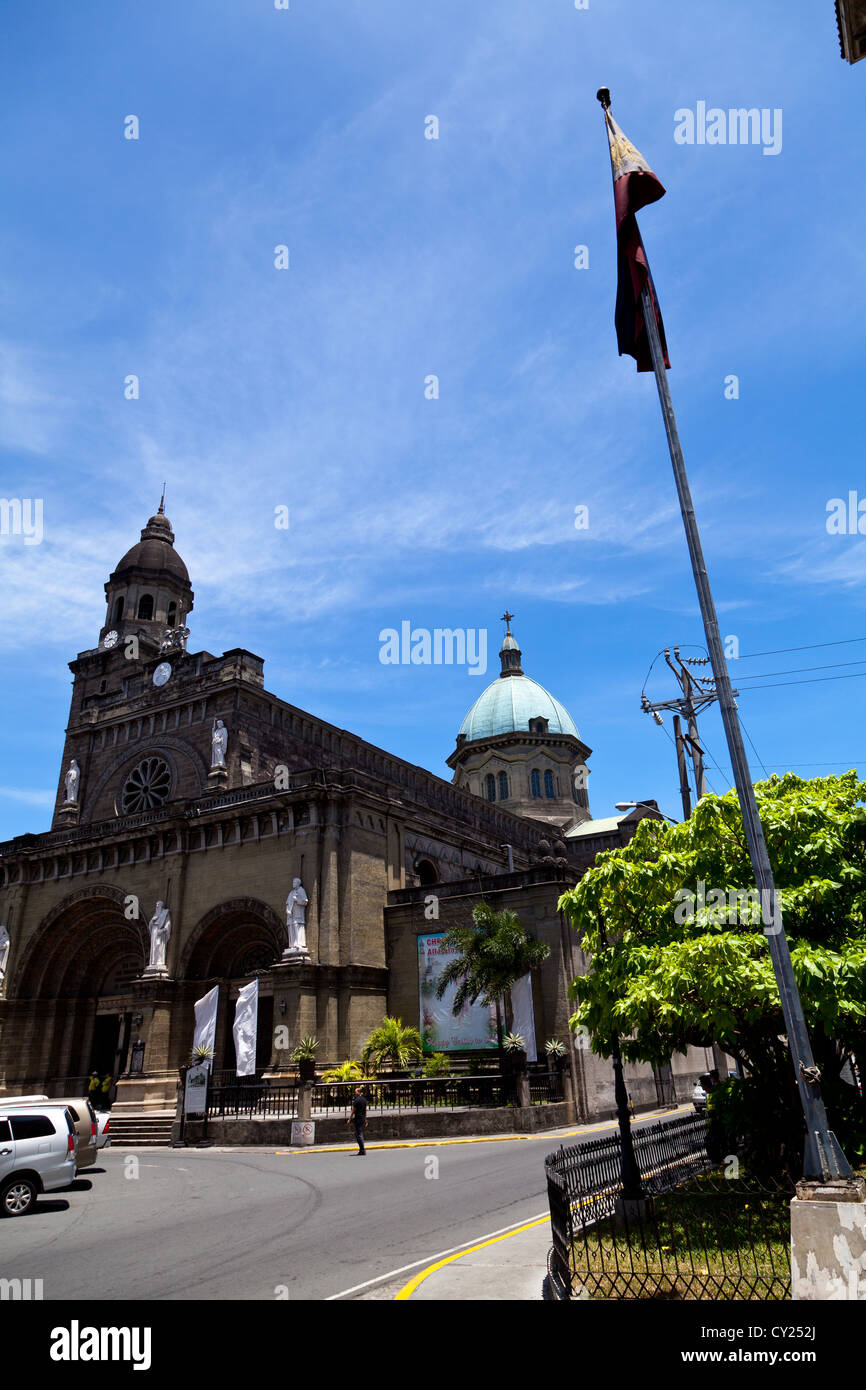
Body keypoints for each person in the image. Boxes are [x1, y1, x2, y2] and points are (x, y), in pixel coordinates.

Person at [347, 1086, 367, 1155]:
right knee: (359, 1133)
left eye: (355, 1092)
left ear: (359, 1092)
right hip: (362, 1118)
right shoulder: (364, 1100)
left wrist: (349, 1119)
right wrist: (365, 1119)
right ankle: (362, 1149)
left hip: (358, 1118)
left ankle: (362, 1150)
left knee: (358, 1134)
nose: (355, 1093)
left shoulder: (356, 1100)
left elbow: (353, 1111)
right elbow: (365, 1110)